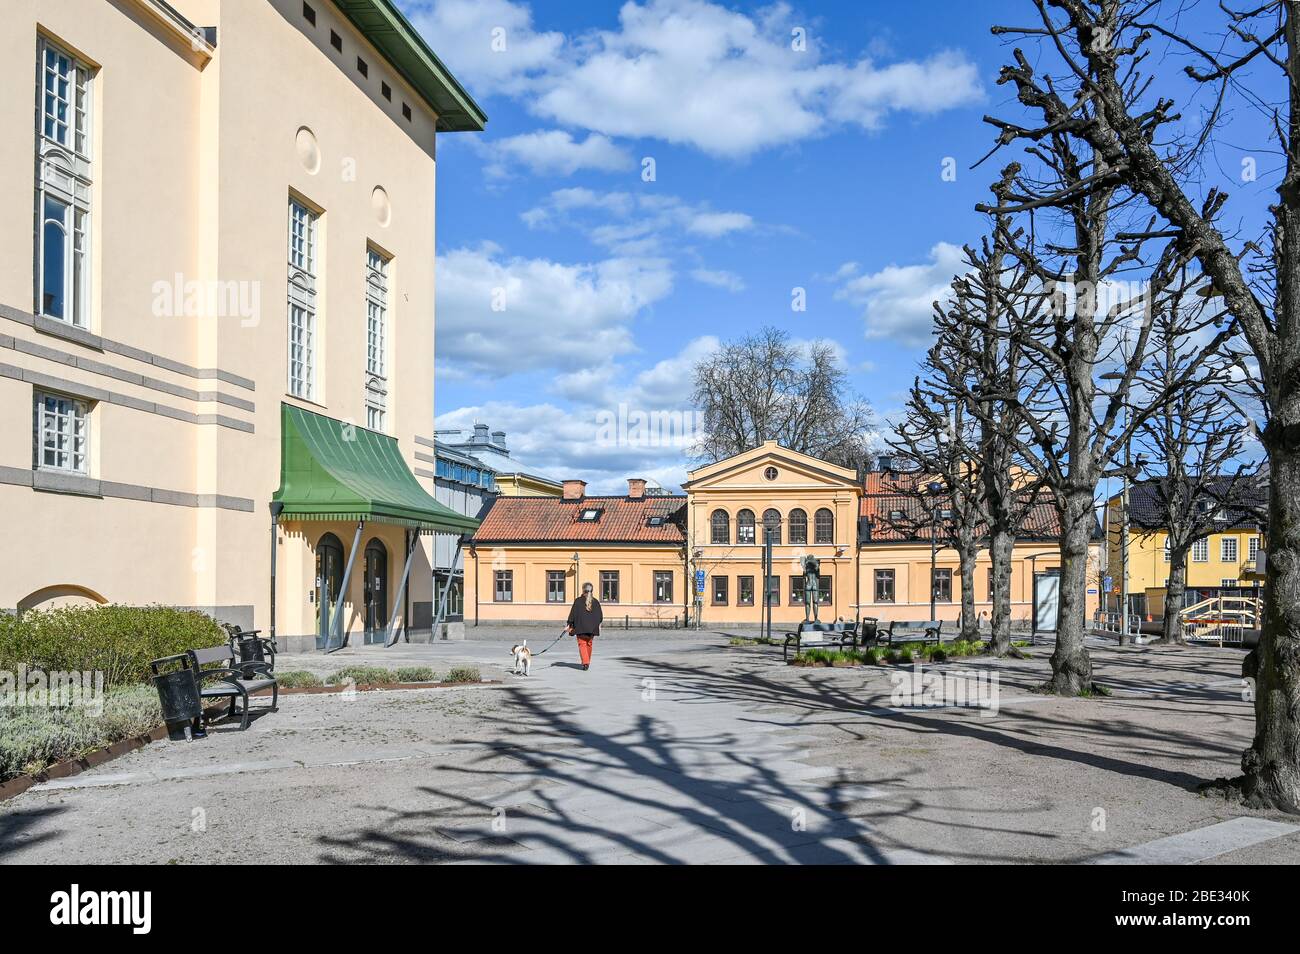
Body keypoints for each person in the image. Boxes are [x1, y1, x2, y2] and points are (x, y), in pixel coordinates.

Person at [566, 582, 602, 671]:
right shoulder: (596, 602)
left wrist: (569, 624)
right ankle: (587, 661)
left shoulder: (578, 601)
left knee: (582, 644)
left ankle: (586, 663)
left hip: (580, 627)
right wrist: (596, 625)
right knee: (589, 644)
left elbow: (573, 614)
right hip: (592, 629)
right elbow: (600, 616)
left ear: (583, 590)